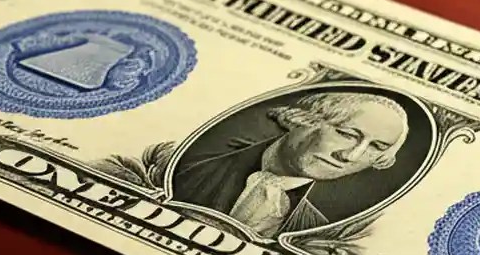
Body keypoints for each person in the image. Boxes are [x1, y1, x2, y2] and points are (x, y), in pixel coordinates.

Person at [172, 91, 410, 238]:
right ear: (300, 121)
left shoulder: (315, 229)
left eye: (376, 147)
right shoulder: (185, 172)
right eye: (347, 134)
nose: (351, 156)